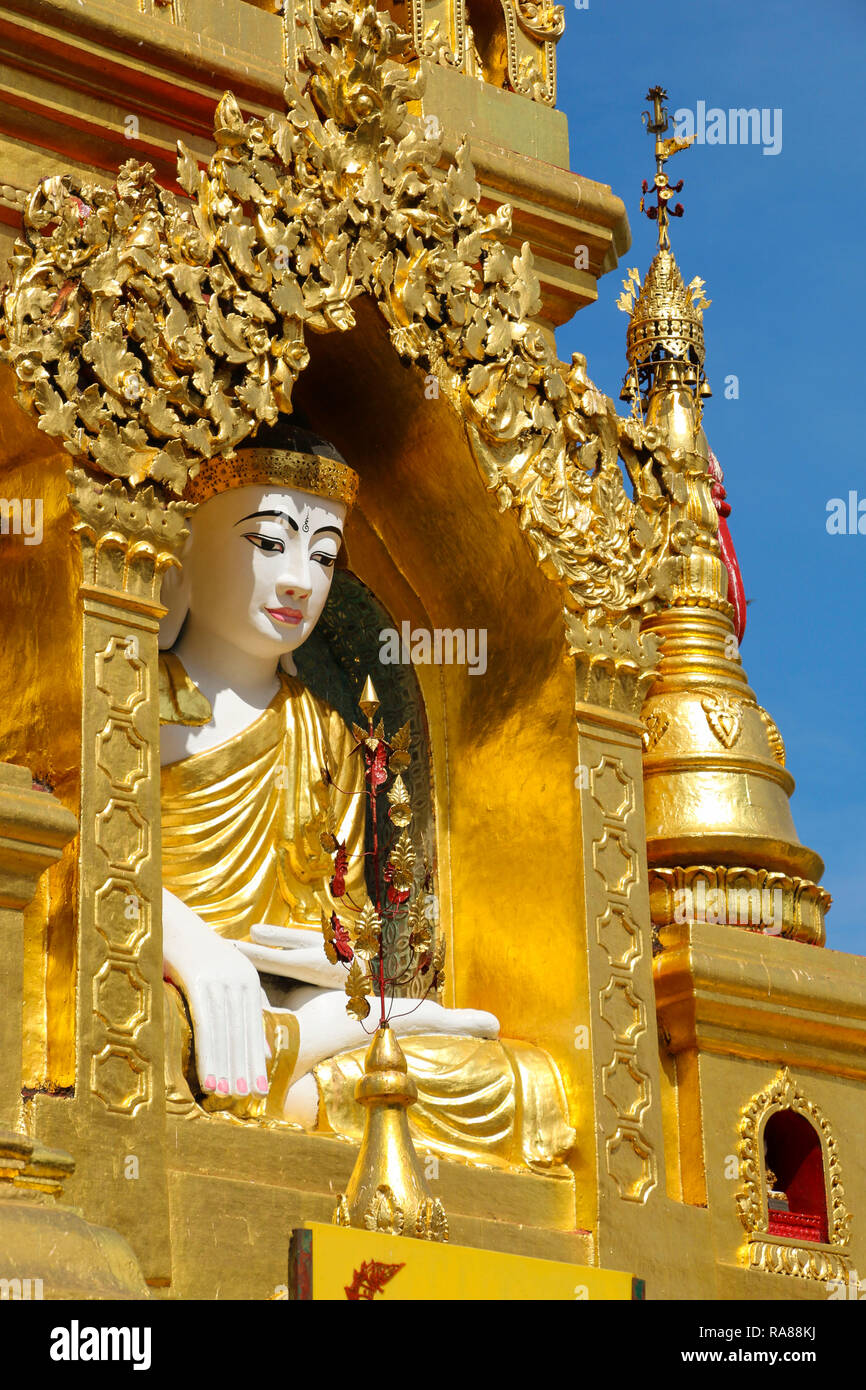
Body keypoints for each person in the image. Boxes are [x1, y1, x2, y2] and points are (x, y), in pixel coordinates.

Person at [159, 424, 574, 1168]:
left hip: (299, 1011)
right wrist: (190, 949)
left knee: (523, 1081)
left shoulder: (326, 729)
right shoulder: (139, 700)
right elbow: (83, 856)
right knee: (167, 1037)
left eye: (322, 556)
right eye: (268, 543)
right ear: (182, 551)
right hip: (185, 1002)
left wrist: (344, 972)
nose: (299, 581)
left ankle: (292, 1078)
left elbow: (349, 924)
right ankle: (291, 1072)